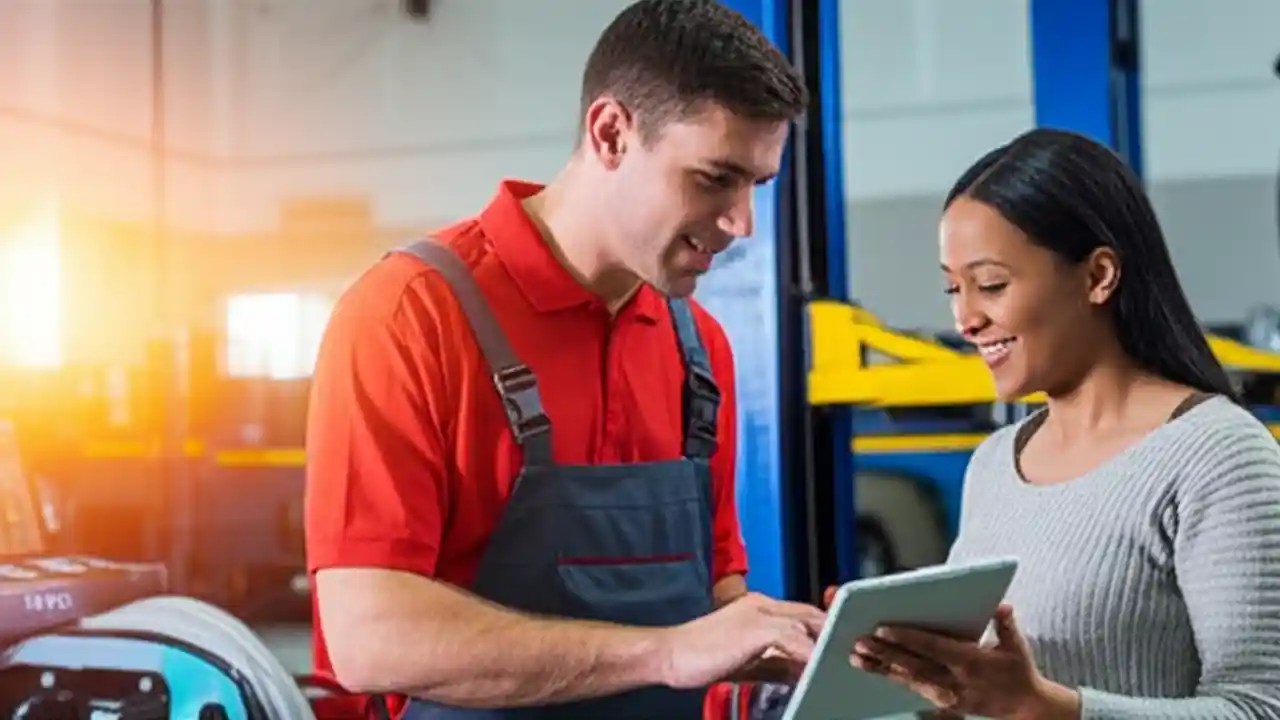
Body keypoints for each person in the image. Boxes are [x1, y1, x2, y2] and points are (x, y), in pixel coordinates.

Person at [303, 1, 826, 718]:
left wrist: (804, 652)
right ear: (611, 133)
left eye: (755, 186)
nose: (741, 224)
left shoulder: (700, 348)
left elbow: (713, 596)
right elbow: (369, 637)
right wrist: (665, 653)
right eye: (714, 179)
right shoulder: (409, 316)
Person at [851, 128, 1280, 718]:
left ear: (1098, 276)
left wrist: (1044, 706)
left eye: (992, 284)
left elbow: (1260, 708)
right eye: (953, 287)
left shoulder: (1219, 456)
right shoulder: (995, 463)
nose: (966, 318)